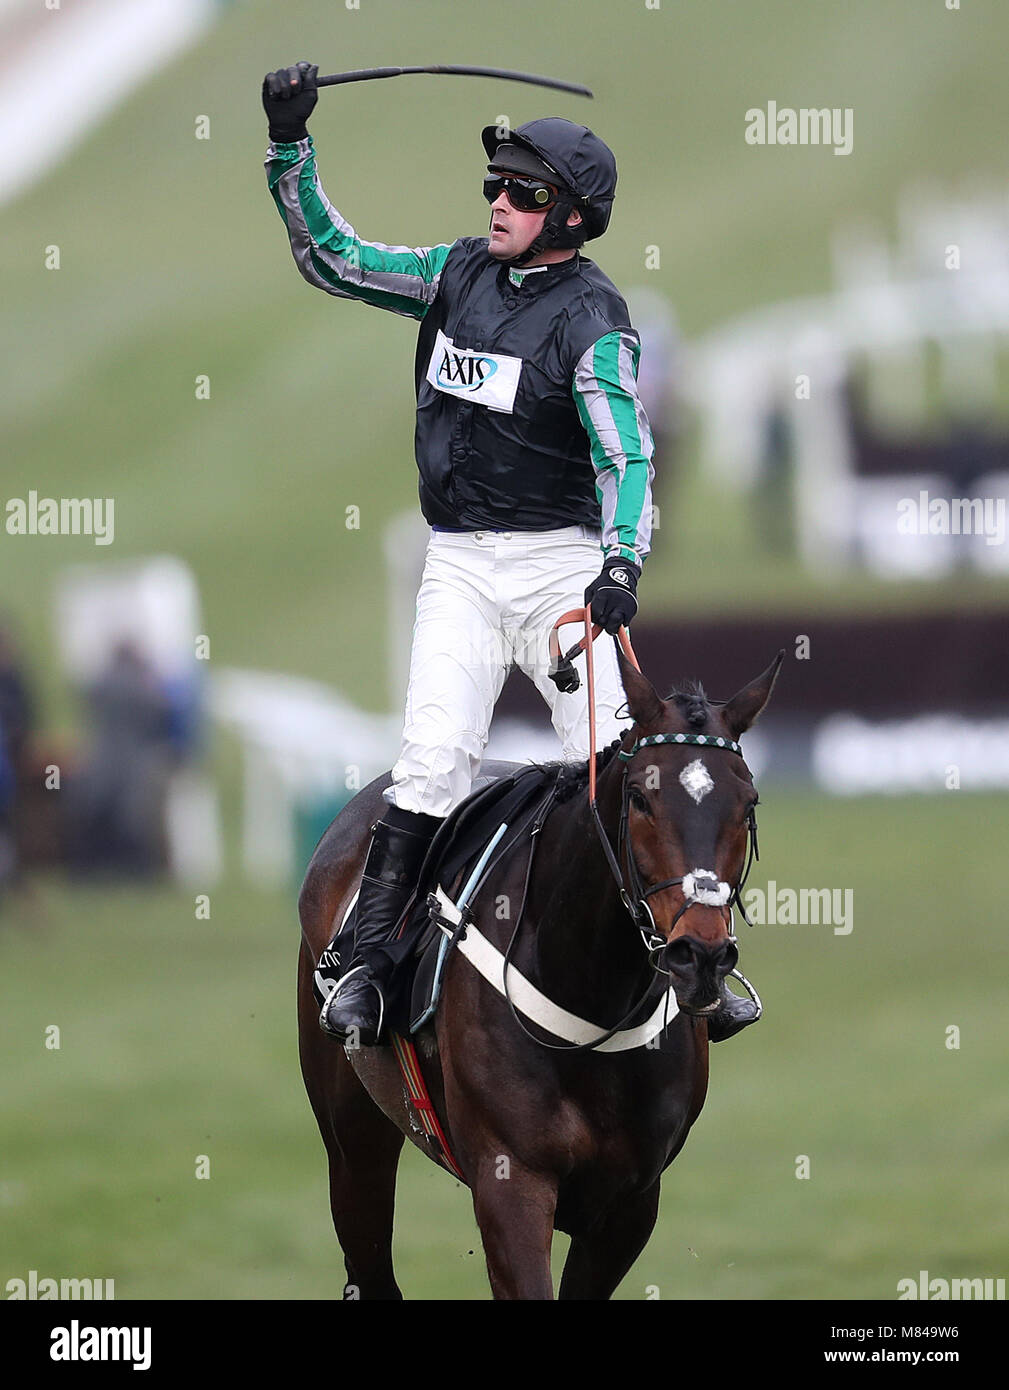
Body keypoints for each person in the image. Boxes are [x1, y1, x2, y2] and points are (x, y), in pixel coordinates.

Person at [262, 62, 758, 1045]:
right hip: (460, 566)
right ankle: (363, 967)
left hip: (559, 570)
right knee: (433, 760)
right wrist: (290, 145)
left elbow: (626, 454)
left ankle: (698, 967)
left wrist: (618, 567)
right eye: (495, 183)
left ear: (570, 217)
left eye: (522, 191)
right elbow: (331, 258)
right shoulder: (453, 274)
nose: (497, 200)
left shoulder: (595, 325)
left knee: (629, 764)